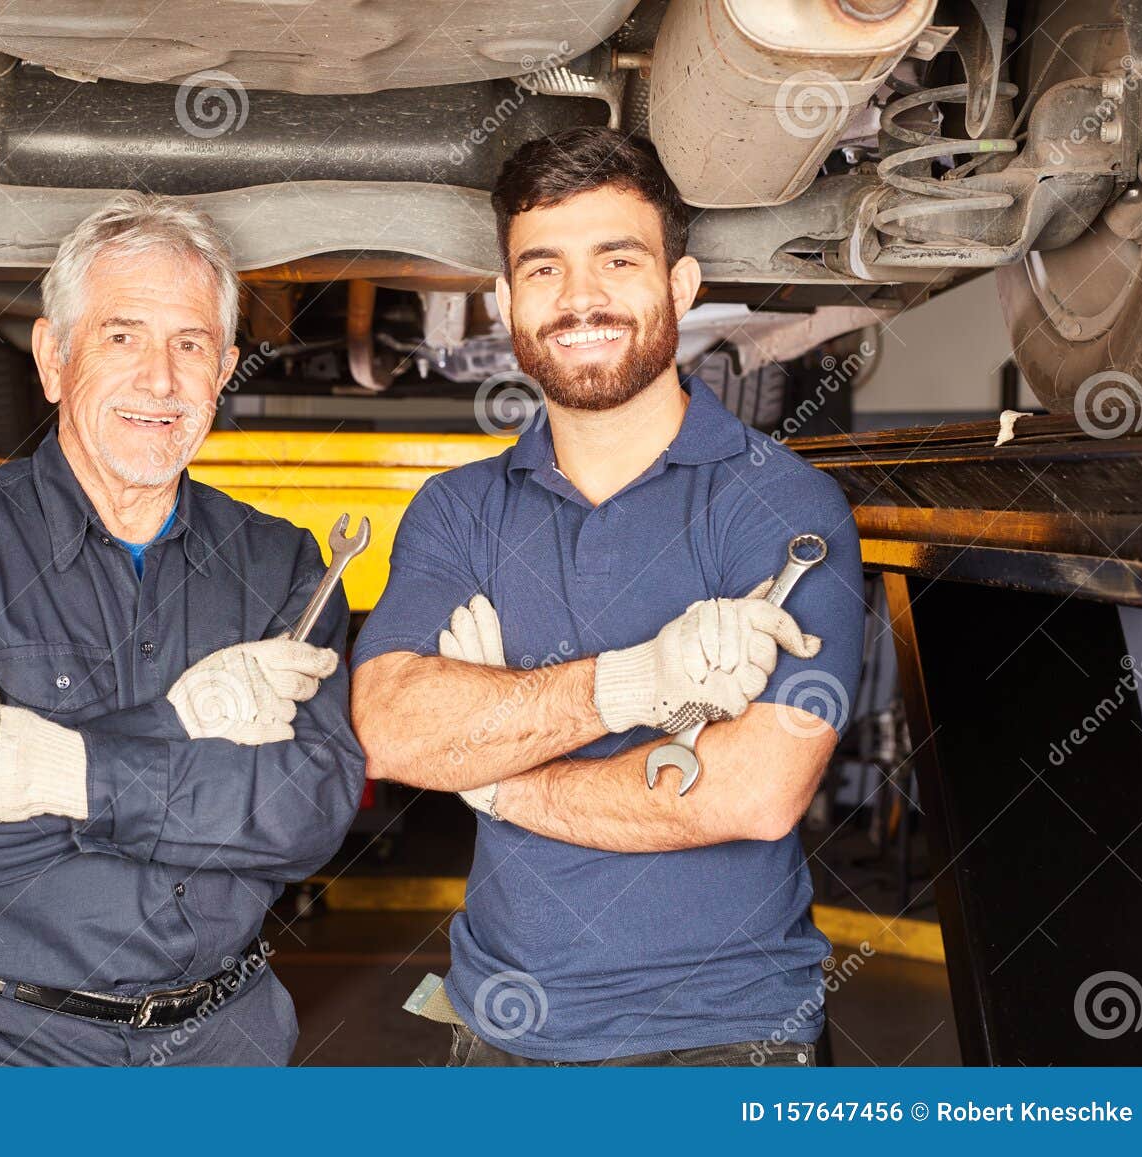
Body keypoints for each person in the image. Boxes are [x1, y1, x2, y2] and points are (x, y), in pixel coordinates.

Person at [350, 127, 867, 1066]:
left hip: (722, 1043)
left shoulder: (777, 501)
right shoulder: (459, 509)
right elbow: (390, 728)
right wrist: (636, 685)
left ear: (680, 284)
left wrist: (496, 775)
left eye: (617, 260)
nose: (580, 299)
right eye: (543, 269)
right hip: (498, 1034)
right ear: (504, 302)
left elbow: (755, 791)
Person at [0, 193, 364, 1066]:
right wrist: (180, 729)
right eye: (122, 336)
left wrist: (52, 765)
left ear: (223, 367)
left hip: (220, 1048)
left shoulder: (283, 566)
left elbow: (306, 812)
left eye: (190, 345)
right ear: (52, 358)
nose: (160, 380)